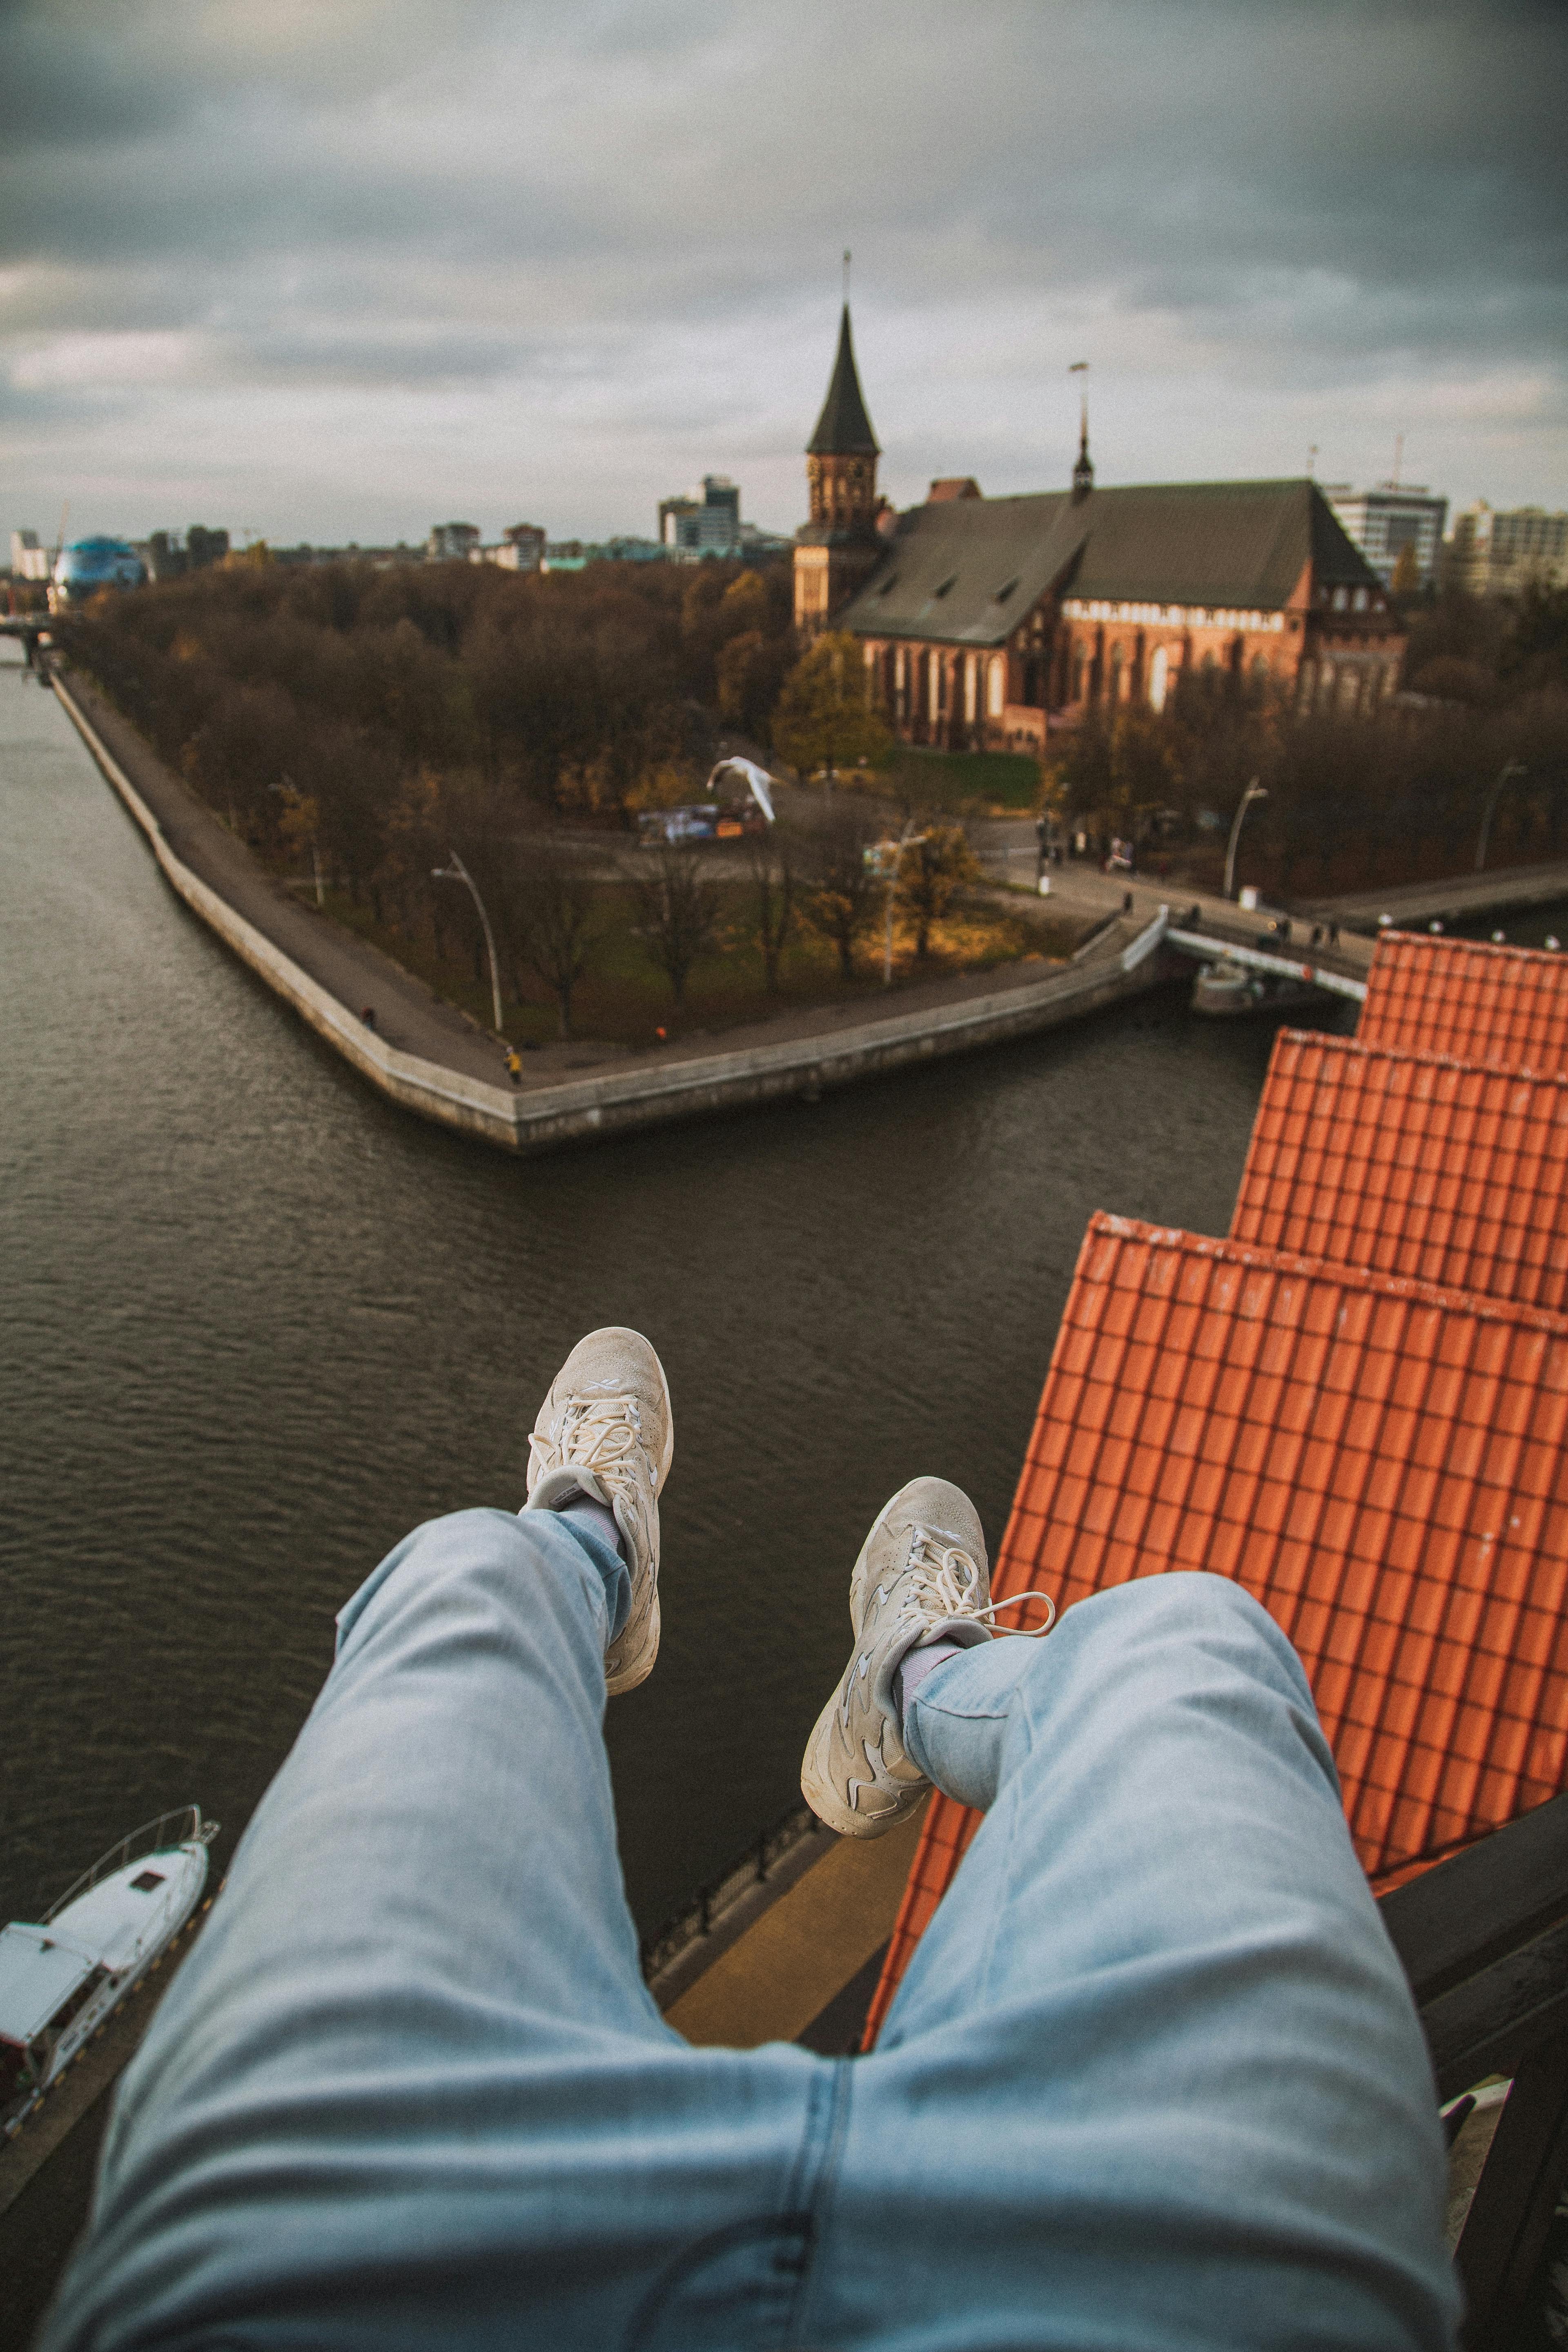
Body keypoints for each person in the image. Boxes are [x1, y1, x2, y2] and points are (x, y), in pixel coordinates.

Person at [40, 1330, 1458, 2352]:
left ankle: (592, 1544)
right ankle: (918, 1685)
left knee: (456, 1576)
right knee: (1193, 1642)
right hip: (1134, 2280)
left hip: (362, 2274)